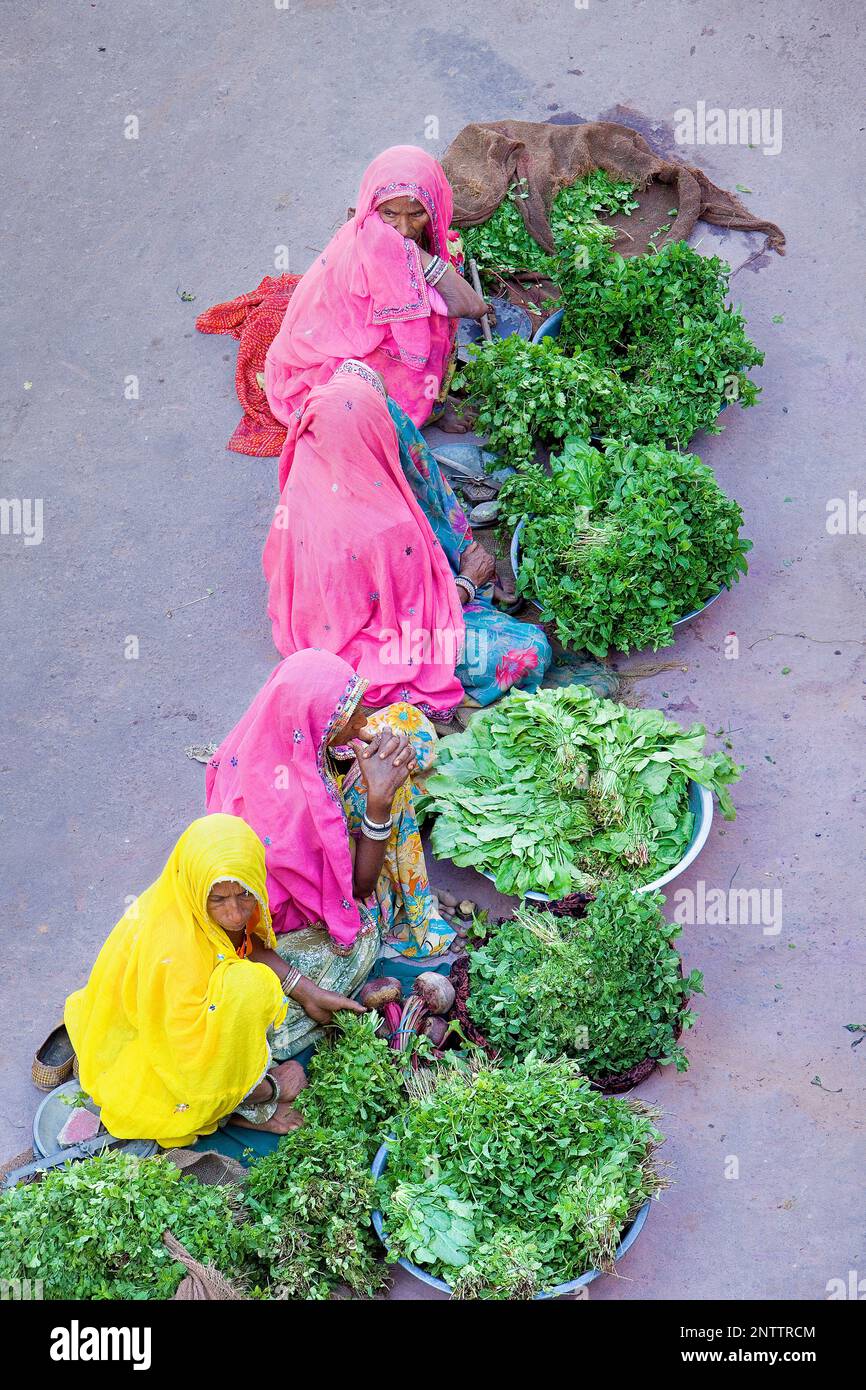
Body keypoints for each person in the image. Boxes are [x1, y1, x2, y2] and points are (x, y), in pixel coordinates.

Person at [263, 361, 551, 715]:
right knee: (529, 650)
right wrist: (469, 584)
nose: (394, 433)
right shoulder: (388, 530)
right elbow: (412, 627)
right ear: (373, 434)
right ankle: (455, 698)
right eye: (383, 427)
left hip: (321, 616)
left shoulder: (308, 464)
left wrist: (467, 548)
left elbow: (366, 386)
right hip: (383, 644)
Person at [206, 650, 455, 1058]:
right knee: (354, 944)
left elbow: (366, 731)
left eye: (359, 708)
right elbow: (358, 887)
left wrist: (387, 754)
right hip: (282, 931)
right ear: (315, 729)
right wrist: (380, 801)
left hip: (321, 777)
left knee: (406, 723)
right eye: (350, 718)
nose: (363, 724)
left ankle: (396, 771)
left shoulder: (275, 739)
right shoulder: (282, 820)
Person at [64, 815, 365, 1146]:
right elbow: (187, 1072)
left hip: (194, 1017)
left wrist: (308, 992)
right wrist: (271, 1089)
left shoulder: (194, 897)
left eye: (244, 895)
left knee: (358, 946)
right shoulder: (173, 953)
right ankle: (235, 1108)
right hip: (165, 1063)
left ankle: (242, 1079)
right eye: (218, 900)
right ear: (198, 889)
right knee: (251, 988)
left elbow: (244, 945)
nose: (235, 914)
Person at [264, 144, 490, 459]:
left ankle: (433, 398)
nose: (404, 229)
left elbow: (469, 304)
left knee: (452, 257)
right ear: (372, 210)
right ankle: (428, 407)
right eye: (389, 214)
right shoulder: (372, 246)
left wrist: (418, 259)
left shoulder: (419, 239)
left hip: (382, 333)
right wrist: (418, 257)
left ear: (435, 207)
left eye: (417, 213)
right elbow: (470, 305)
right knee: (431, 326)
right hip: (350, 351)